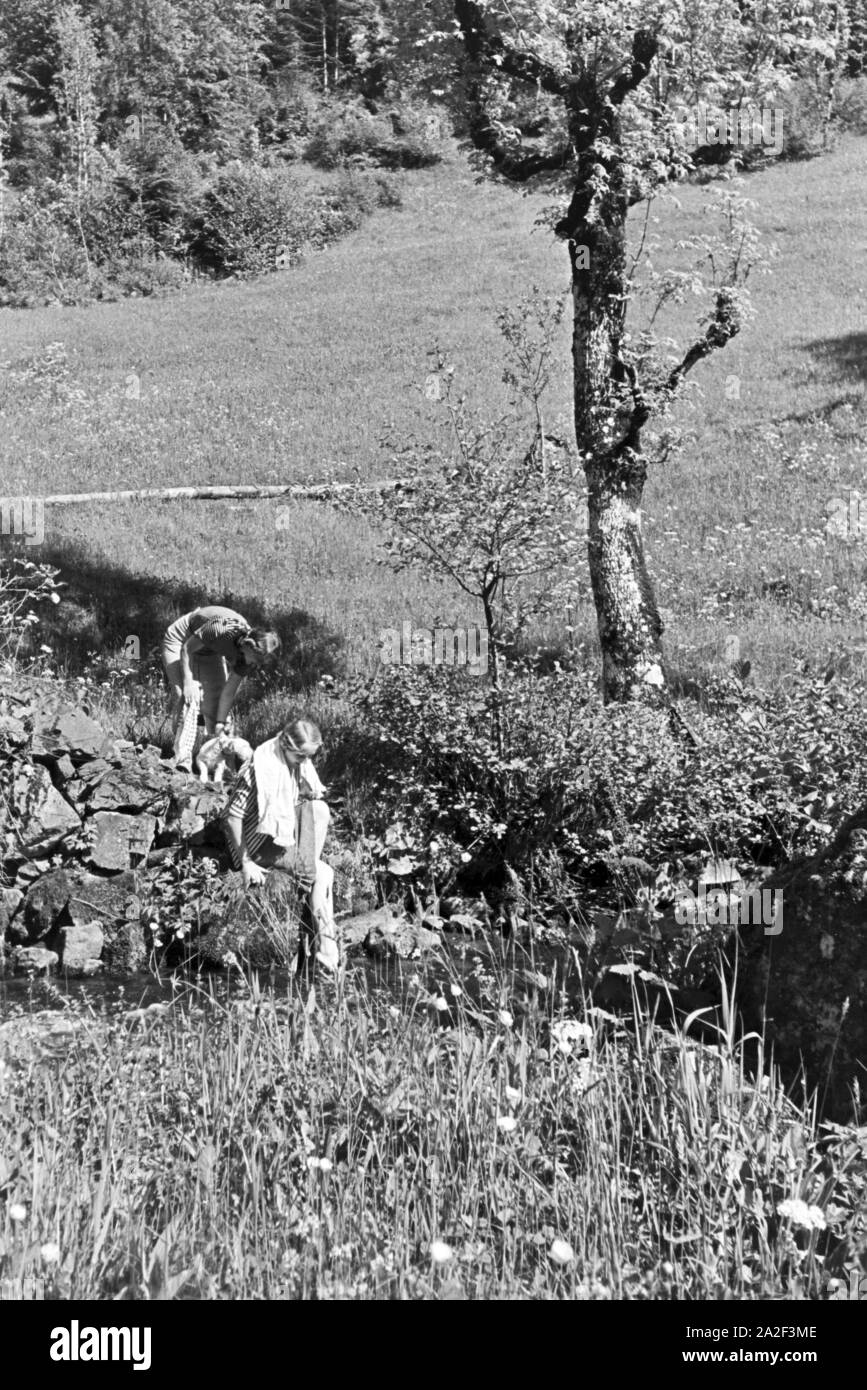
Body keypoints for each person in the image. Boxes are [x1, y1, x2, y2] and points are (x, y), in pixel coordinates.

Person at [221, 718, 341, 973]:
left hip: (276, 836)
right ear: (286, 745)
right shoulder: (259, 768)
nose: (305, 762)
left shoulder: (292, 762)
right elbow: (231, 817)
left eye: (308, 757)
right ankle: (328, 950)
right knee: (325, 873)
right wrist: (246, 863)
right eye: (301, 757)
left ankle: (305, 873)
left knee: (320, 809)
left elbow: (303, 801)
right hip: (256, 845)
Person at [161, 606, 280, 766]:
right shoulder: (220, 629)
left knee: (216, 707)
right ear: (248, 645)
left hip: (209, 650)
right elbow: (187, 649)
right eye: (255, 660)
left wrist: (220, 722)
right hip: (182, 639)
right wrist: (189, 683)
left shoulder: (247, 659)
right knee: (187, 696)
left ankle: (211, 761)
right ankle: (181, 760)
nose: (254, 665)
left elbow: (228, 692)